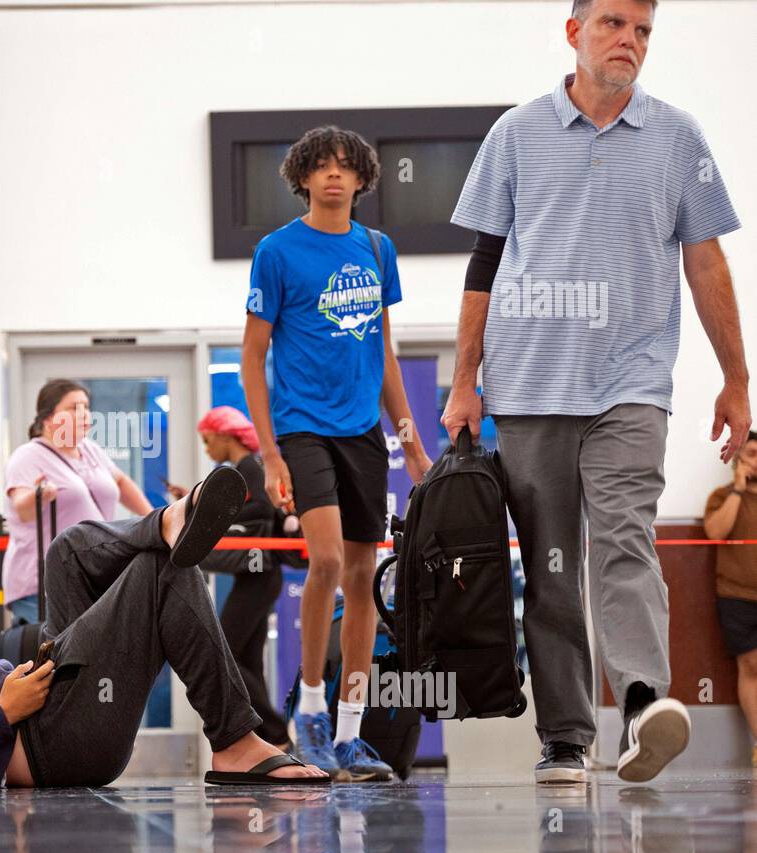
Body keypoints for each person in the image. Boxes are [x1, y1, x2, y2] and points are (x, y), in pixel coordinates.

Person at [443, 0, 749, 784]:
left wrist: (736, 380)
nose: (630, 41)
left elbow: (706, 263)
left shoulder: (677, 137)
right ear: (574, 32)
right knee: (550, 567)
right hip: (529, 384)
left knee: (625, 538)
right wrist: (464, 381)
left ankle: (644, 703)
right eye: (615, 23)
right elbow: (484, 264)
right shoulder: (515, 133)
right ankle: (566, 738)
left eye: (643, 30)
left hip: (633, 381)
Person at [0, 468, 330, 789]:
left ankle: (167, 522)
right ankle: (236, 741)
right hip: (48, 744)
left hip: (41, 712)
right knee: (163, 571)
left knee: (69, 551)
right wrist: (1, 711)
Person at [242, 125, 433, 781]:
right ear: (302, 177)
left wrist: (411, 444)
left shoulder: (378, 249)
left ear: (360, 179)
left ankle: (351, 734)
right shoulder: (276, 251)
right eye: (319, 166)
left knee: (361, 580)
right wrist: (268, 455)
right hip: (302, 427)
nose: (332, 175)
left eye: (344, 167)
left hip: (362, 434)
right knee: (322, 559)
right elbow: (252, 352)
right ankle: (312, 714)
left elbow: (384, 355)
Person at [167, 406, 289, 749]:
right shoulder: (244, 467)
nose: (207, 449)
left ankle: (277, 733)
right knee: (248, 658)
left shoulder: (251, 465)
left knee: (228, 654)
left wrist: (209, 506)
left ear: (223, 434)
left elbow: (261, 509)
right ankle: (271, 737)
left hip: (260, 573)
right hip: (256, 575)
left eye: (207, 441)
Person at [2, 379, 151, 625]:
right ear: (48, 418)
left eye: (86, 406)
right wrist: (39, 495)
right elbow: (22, 509)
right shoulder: (28, 456)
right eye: (74, 407)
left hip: (89, 578)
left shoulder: (90, 449)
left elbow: (121, 483)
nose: (83, 413)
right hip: (43, 585)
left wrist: (155, 520)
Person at [703, 431, 757, 769]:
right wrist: (738, 487)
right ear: (738, 458)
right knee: (750, 666)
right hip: (737, 596)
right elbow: (716, 533)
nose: (756, 460)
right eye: (750, 453)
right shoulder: (722, 496)